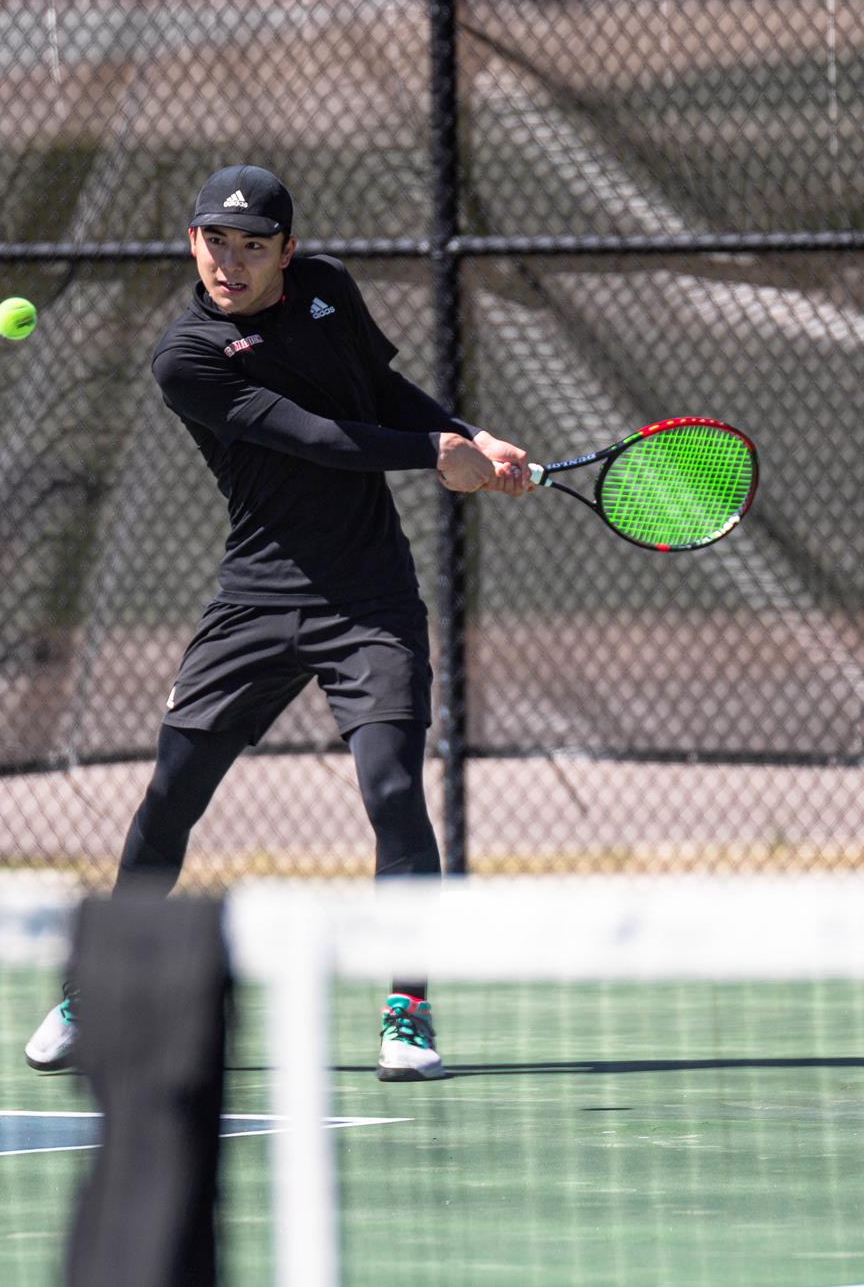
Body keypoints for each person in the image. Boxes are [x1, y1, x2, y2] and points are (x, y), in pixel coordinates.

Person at [26, 164, 530, 1083]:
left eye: (253, 246)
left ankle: (407, 1011)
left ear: (287, 253)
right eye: (215, 243)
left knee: (391, 792)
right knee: (172, 795)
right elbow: (318, 438)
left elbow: (379, 397)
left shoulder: (329, 291)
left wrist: (471, 437)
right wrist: (435, 456)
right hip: (255, 600)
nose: (231, 262)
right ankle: (90, 991)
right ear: (192, 244)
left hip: (369, 598)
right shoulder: (188, 358)